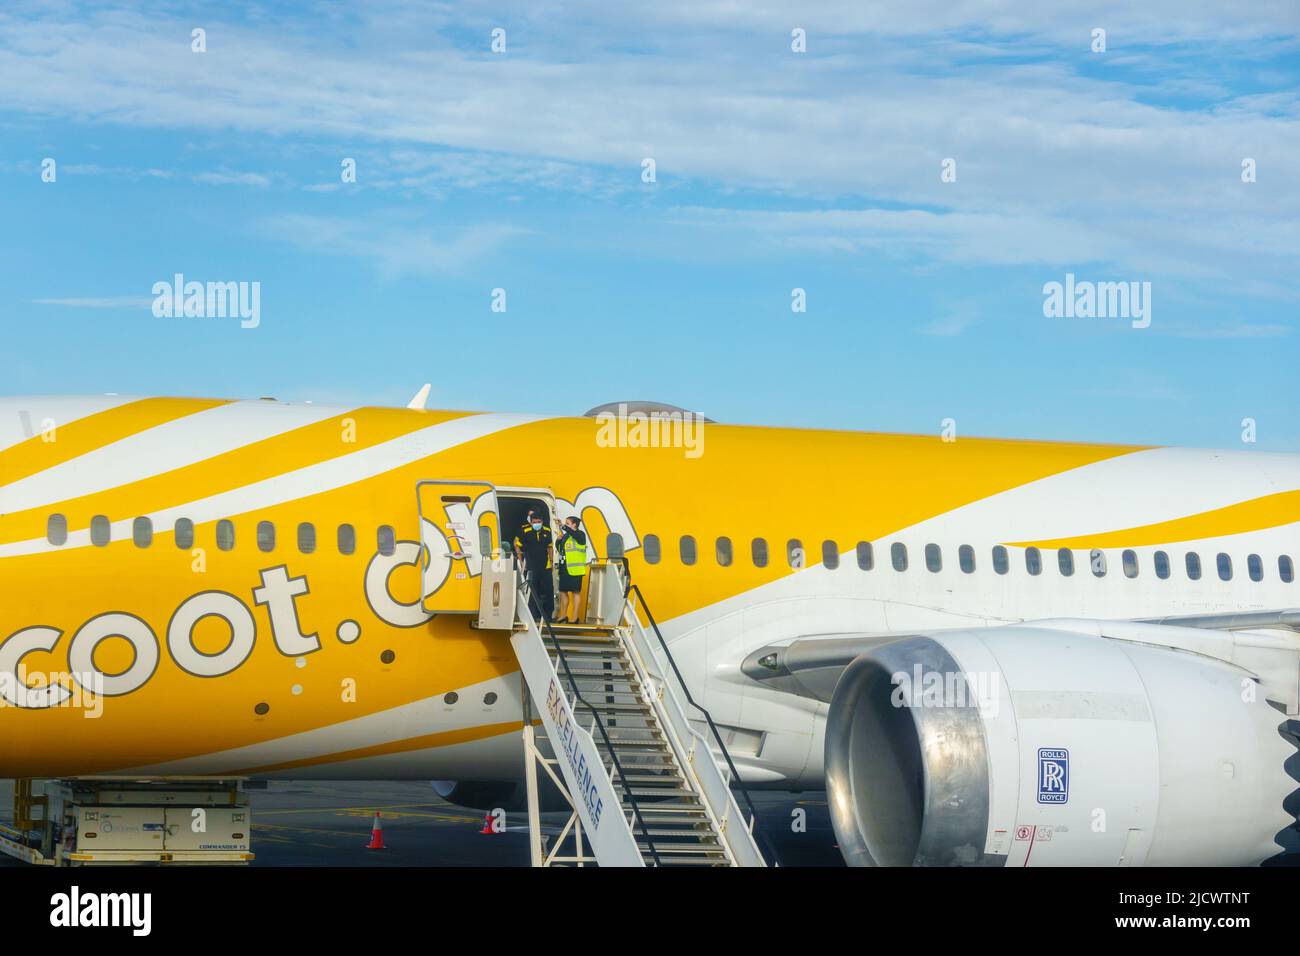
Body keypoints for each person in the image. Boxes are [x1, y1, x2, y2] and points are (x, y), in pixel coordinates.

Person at [513, 510, 554, 623]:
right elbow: (517, 546)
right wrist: (522, 562)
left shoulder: (547, 531)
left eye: (539, 521)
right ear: (530, 522)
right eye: (535, 522)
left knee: (547, 591)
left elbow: (550, 547)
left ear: (542, 521)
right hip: (531, 565)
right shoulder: (524, 531)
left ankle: (547, 616)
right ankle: (533, 615)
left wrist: (552, 561)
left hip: (545, 565)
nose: (537, 524)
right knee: (532, 591)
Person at [554, 515, 588, 624]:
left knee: (575, 592)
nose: (566, 525)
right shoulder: (566, 536)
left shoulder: (580, 534)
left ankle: (575, 617)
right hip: (564, 568)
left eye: (568, 523)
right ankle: (563, 615)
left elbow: (574, 534)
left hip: (575, 570)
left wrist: (562, 526)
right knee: (563, 591)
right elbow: (560, 550)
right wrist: (558, 541)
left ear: (574, 525)